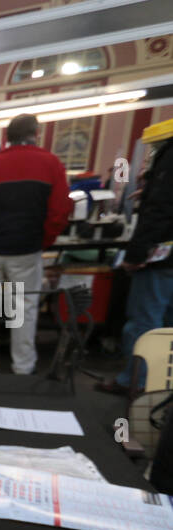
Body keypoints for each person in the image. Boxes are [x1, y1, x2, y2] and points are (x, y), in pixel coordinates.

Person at [0, 114, 71, 375]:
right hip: (27, 249)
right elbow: (60, 212)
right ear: (36, 133)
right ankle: (23, 366)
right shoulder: (51, 163)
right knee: (25, 308)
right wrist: (43, 241)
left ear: (6, 137)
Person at [97, 128, 173, 395]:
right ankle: (161, 387)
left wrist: (135, 254)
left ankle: (136, 382)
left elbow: (160, 210)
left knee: (145, 322)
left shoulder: (169, 157)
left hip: (161, 256)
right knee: (168, 326)